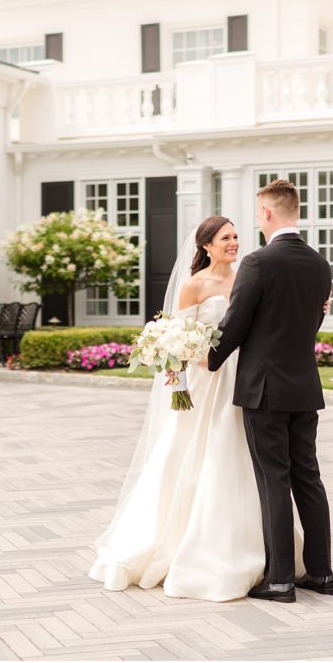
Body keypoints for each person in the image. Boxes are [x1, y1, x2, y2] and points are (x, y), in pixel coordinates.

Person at [88, 214, 309, 602]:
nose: (234, 243)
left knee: (244, 456)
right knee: (192, 454)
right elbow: (174, 339)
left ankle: (261, 552)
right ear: (206, 245)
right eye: (225, 238)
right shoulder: (194, 285)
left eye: (236, 236)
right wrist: (178, 383)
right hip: (206, 381)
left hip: (245, 376)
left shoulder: (249, 275)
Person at [207, 178, 333, 603]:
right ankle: (321, 573)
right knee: (308, 478)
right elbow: (311, 324)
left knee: (274, 481)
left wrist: (207, 358)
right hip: (304, 386)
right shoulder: (320, 264)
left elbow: (235, 323)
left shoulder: (258, 262)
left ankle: (280, 579)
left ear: (266, 212)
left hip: (264, 389)